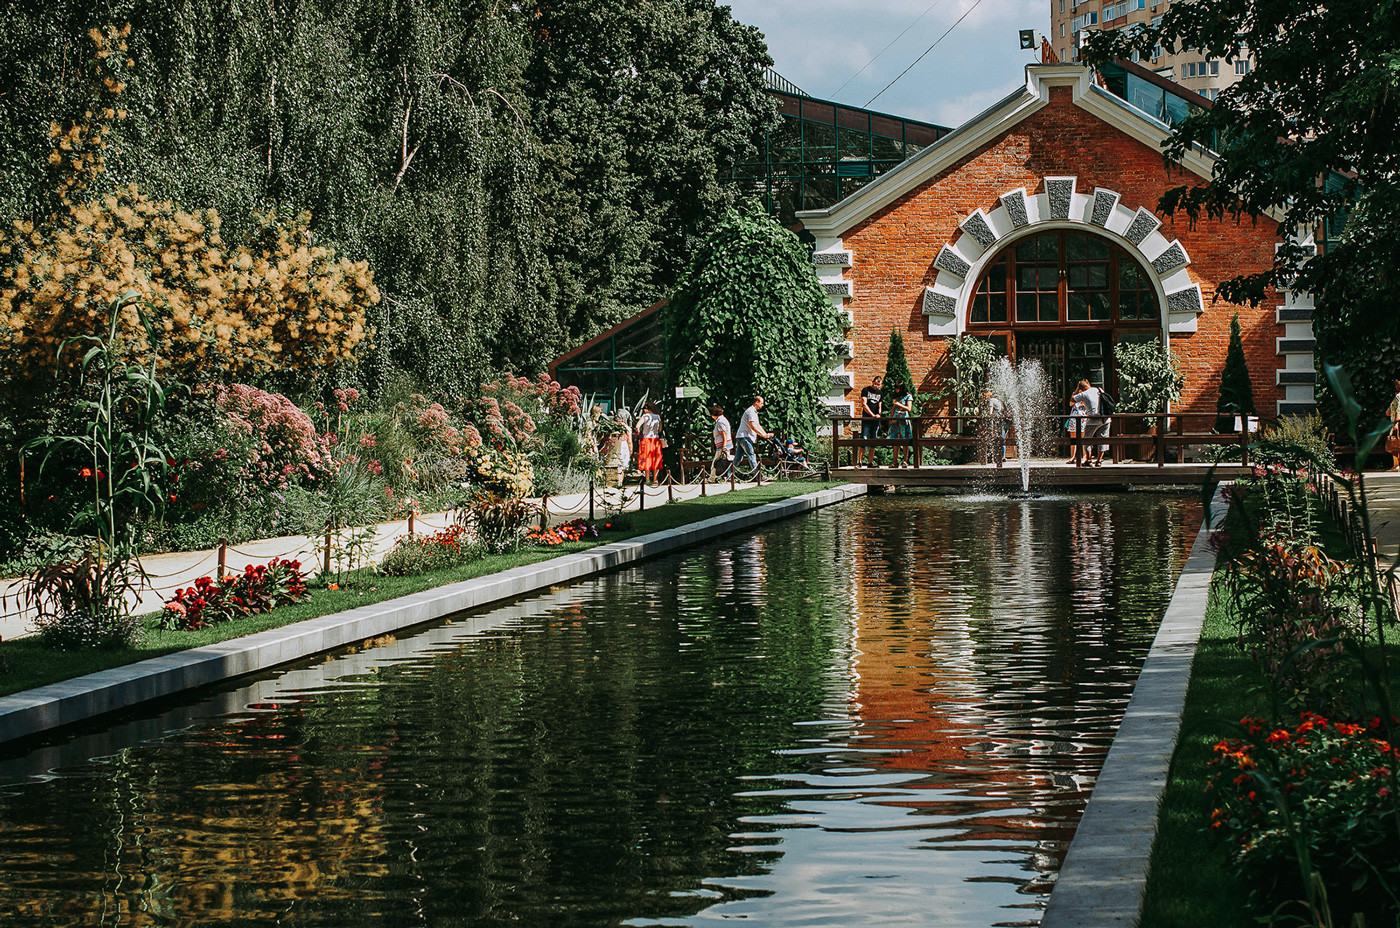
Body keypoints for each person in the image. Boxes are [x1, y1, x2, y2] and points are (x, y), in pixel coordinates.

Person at [1072, 378, 1106, 466]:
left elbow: (1072, 400)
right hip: (1106, 418)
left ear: (1081, 389)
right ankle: (1099, 461)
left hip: (1093, 419)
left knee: (1086, 439)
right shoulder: (1099, 389)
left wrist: (1076, 390)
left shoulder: (1084, 394)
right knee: (1103, 439)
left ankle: (1089, 460)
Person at [735, 395, 772, 472]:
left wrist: (765, 434)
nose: (763, 405)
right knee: (751, 455)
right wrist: (763, 435)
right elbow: (753, 426)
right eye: (761, 403)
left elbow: (758, 425)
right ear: (756, 402)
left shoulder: (754, 412)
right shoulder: (750, 411)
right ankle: (757, 475)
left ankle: (729, 474)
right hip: (744, 436)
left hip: (742, 436)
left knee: (738, 458)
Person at [856, 375, 883, 467]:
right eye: (875, 384)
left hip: (875, 420)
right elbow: (864, 404)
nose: (877, 386)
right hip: (867, 418)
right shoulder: (866, 390)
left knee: (873, 440)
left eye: (878, 384)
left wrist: (879, 414)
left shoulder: (880, 393)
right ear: (873, 382)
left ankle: (870, 462)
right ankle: (859, 462)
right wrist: (872, 415)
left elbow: (880, 405)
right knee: (864, 438)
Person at [888, 381, 913, 467]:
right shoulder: (896, 397)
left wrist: (899, 404)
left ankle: (905, 461)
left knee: (905, 441)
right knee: (895, 441)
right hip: (896, 421)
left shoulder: (908, 396)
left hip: (904, 420)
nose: (896, 390)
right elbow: (893, 409)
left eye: (897, 388)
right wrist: (890, 419)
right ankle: (894, 461)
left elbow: (909, 408)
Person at [637, 402, 664, 485]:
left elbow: (637, 426)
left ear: (647, 409)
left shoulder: (645, 417)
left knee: (647, 458)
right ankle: (655, 479)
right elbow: (660, 430)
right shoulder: (658, 417)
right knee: (656, 458)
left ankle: (648, 479)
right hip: (655, 439)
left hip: (646, 439)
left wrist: (639, 433)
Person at [982, 387, 1007, 468]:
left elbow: (990, 412)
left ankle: (997, 457)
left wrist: (986, 416)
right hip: (1004, 421)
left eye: (984, 396)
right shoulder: (996, 399)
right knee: (1001, 438)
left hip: (1000, 422)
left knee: (998, 438)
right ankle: (1001, 456)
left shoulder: (991, 400)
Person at [710, 405, 732, 476]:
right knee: (726, 462)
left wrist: (724, 446)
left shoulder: (720, 421)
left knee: (715, 463)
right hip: (725, 445)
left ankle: (712, 478)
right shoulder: (723, 419)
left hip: (722, 445)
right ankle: (727, 476)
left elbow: (724, 433)